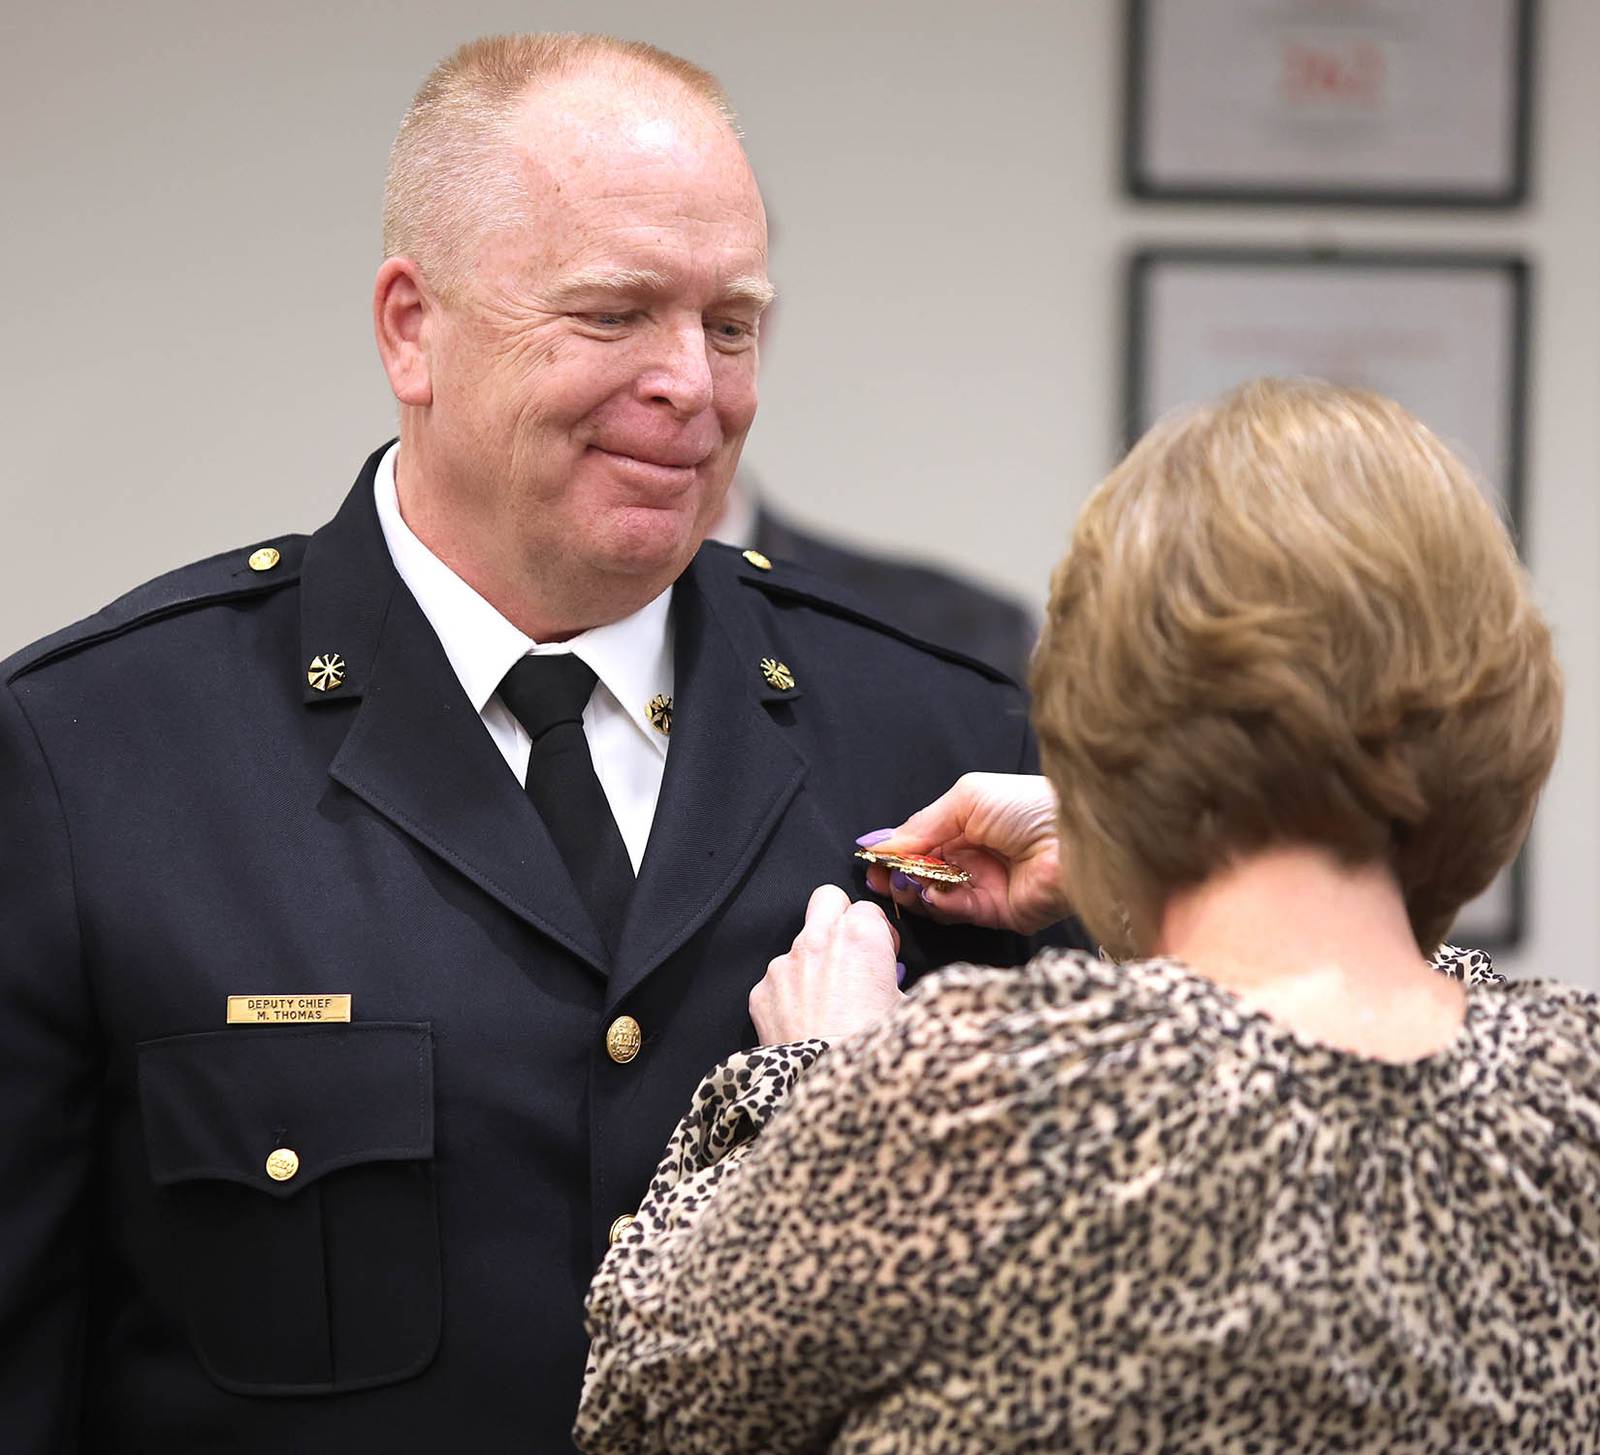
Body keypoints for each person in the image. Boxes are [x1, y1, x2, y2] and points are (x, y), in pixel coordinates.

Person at [0, 34, 1071, 1451]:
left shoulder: (939, 733)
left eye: (733, 323)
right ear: (411, 328)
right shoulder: (96, 755)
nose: (692, 382)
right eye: (617, 312)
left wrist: (1142, 872)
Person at [576, 379, 1599, 1453]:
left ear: (1098, 698)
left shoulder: (974, 1104)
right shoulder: (1570, 1093)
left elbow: (652, 1412)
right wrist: (1136, 867)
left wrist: (813, 1085)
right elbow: (1387, 1029)